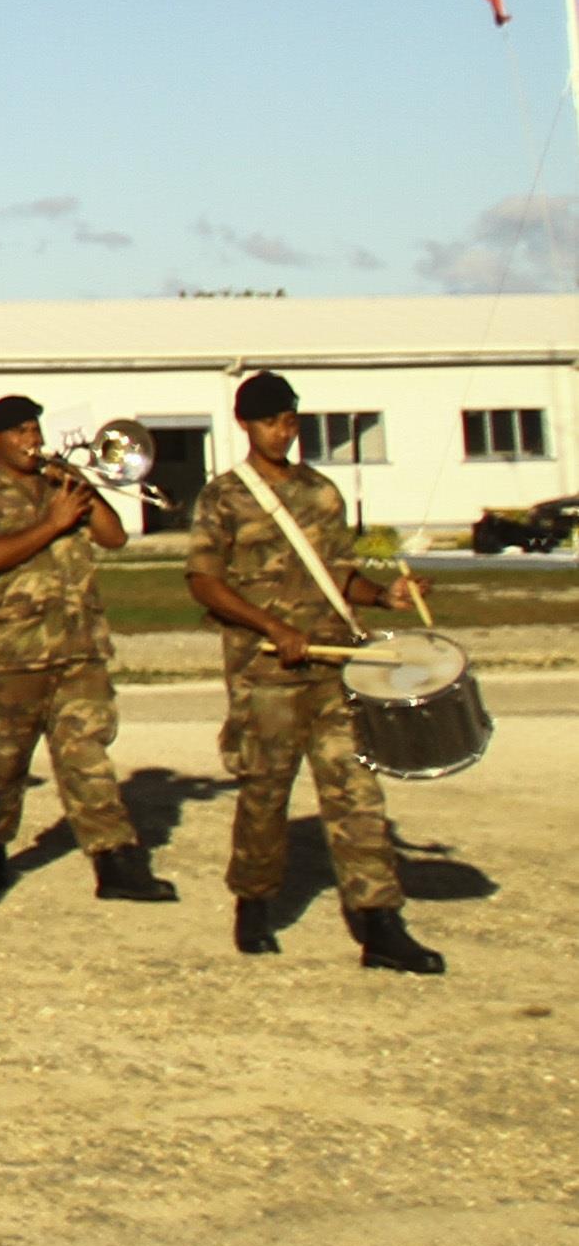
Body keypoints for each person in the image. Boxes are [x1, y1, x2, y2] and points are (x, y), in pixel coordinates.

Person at [188, 371, 441, 972]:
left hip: (333, 669)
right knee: (265, 792)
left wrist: (386, 597)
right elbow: (204, 582)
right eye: (271, 421)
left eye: (290, 420)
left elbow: (339, 574)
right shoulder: (223, 497)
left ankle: (379, 922)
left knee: (356, 791)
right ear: (245, 424)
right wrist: (273, 628)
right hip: (264, 672)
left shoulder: (323, 492)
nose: (283, 431)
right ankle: (253, 902)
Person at [0, 395, 173, 903]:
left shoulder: (63, 485)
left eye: (35, 429)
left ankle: (115, 861)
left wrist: (84, 491)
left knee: (86, 754)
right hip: (13, 652)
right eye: (20, 432)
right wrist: (51, 522)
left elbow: (113, 539)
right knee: (5, 763)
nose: (32, 440)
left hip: (78, 646)